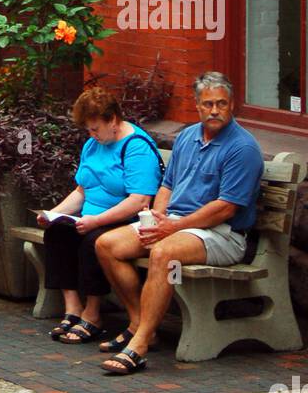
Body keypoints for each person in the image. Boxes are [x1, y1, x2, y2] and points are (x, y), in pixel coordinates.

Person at [95, 71, 264, 375]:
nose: (215, 110)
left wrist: (171, 228)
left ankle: (139, 345)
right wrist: (158, 218)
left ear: (232, 105)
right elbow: (167, 186)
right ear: (197, 106)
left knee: (163, 254)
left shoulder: (243, 148)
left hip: (222, 235)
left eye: (222, 104)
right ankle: (139, 323)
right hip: (176, 224)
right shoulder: (187, 136)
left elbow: (224, 209)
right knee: (107, 244)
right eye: (208, 104)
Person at [37, 86, 163, 344]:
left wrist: (96, 220)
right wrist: (54, 213)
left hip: (122, 220)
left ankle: (93, 312)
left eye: (96, 128)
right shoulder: (93, 145)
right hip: (89, 216)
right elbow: (82, 190)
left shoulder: (136, 147)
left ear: (113, 120)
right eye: (88, 130)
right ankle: (72, 308)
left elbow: (139, 200)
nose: (92, 134)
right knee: (58, 231)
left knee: (92, 241)